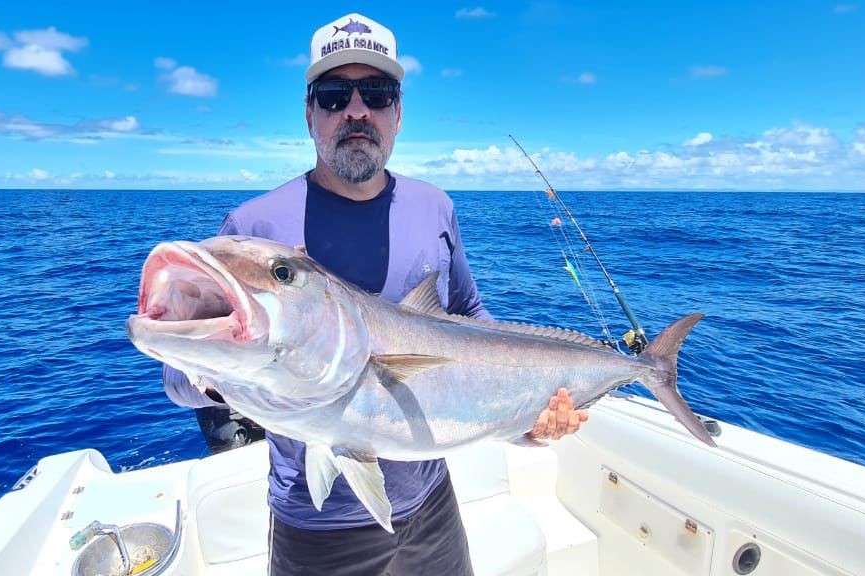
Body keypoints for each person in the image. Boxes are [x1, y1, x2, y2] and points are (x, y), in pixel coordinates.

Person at [162, 12, 589, 575]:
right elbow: (177, 380)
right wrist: (220, 368)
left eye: (378, 93)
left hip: (432, 502)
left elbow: (470, 318)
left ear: (398, 113)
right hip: (317, 527)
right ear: (309, 113)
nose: (356, 110)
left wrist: (529, 415)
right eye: (336, 94)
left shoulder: (435, 206)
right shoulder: (254, 230)